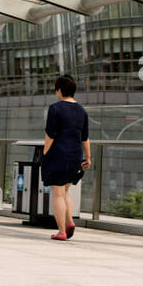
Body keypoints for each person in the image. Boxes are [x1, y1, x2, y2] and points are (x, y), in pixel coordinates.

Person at [42, 75, 91, 241]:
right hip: (75, 155)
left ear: (60, 90)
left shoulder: (55, 108)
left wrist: (45, 153)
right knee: (65, 191)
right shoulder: (82, 111)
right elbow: (85, 138)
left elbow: (51, 134)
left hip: (58, 154)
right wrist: (88, 158)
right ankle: (70, 221)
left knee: (57, 194)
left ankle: (62, 230)